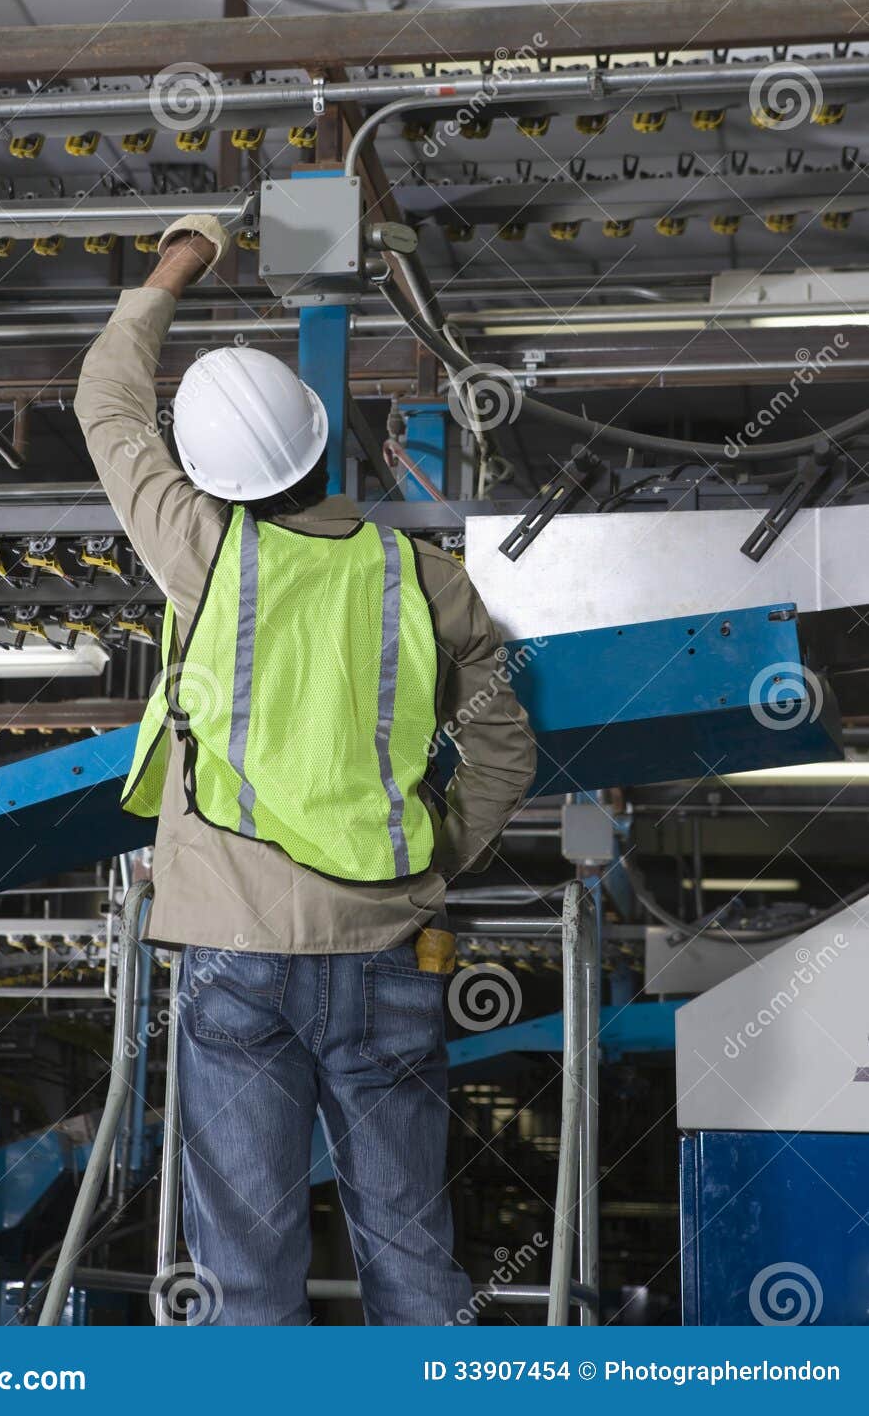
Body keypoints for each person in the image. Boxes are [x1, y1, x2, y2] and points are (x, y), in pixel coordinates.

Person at [75, 214, 535, 1326]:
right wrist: (433, 850)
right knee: (412, 1250)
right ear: (324, 443)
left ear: (211, 476)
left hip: (235, 957)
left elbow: (104, 396)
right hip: (386, 942)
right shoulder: (421, 577)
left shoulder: (198, 551)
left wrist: (184, 258)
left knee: (246, 1263)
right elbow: (504, 742)